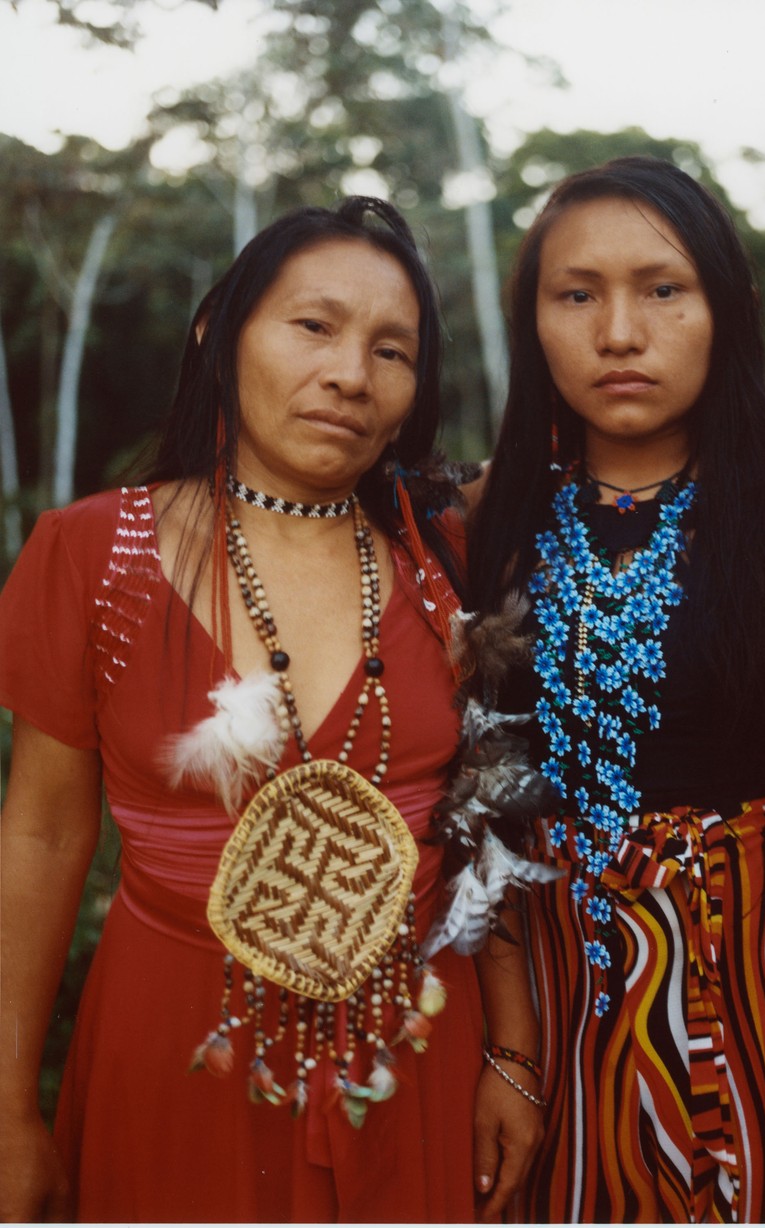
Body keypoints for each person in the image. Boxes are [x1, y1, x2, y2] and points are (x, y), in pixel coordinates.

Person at [0, 198, 542, 1224]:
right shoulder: (92, 556)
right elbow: (39, 832)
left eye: (393, 350)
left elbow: (490, 830)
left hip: (418, 1051)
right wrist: (2, 1104)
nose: (350, 373)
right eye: (314, 326)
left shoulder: (444, 564)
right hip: (173, 1056)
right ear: (219, 328)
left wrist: (513, 1056)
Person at [465, 157, 765, 1223]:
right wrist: (512, 1048)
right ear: (534, 318)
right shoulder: (491, 514)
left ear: (727, 307)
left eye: (662, 288)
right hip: (564, 987)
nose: (619, 331)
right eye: (576, 294)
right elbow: (480, 787)